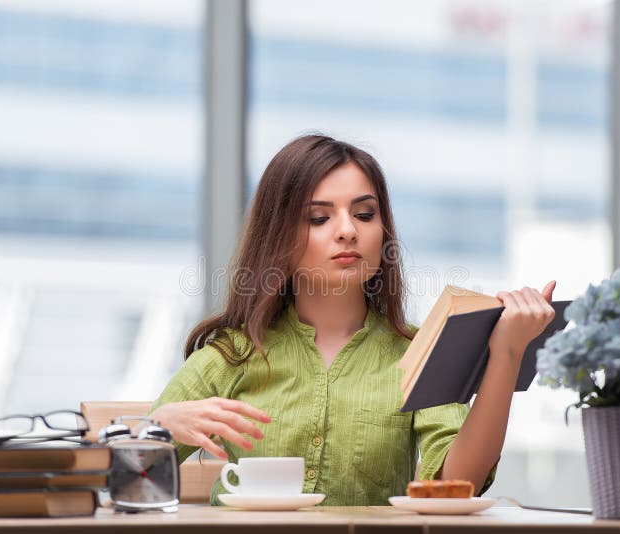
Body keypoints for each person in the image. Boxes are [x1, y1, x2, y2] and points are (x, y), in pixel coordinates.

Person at [149, 134, 556, 506]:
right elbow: (132, 480)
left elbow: (457, 484)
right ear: (277, 236)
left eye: (364, 214)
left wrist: (506, 354)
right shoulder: (231, 354)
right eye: (318, 218)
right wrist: (158, 428)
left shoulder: (420, 353)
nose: (347, 230)